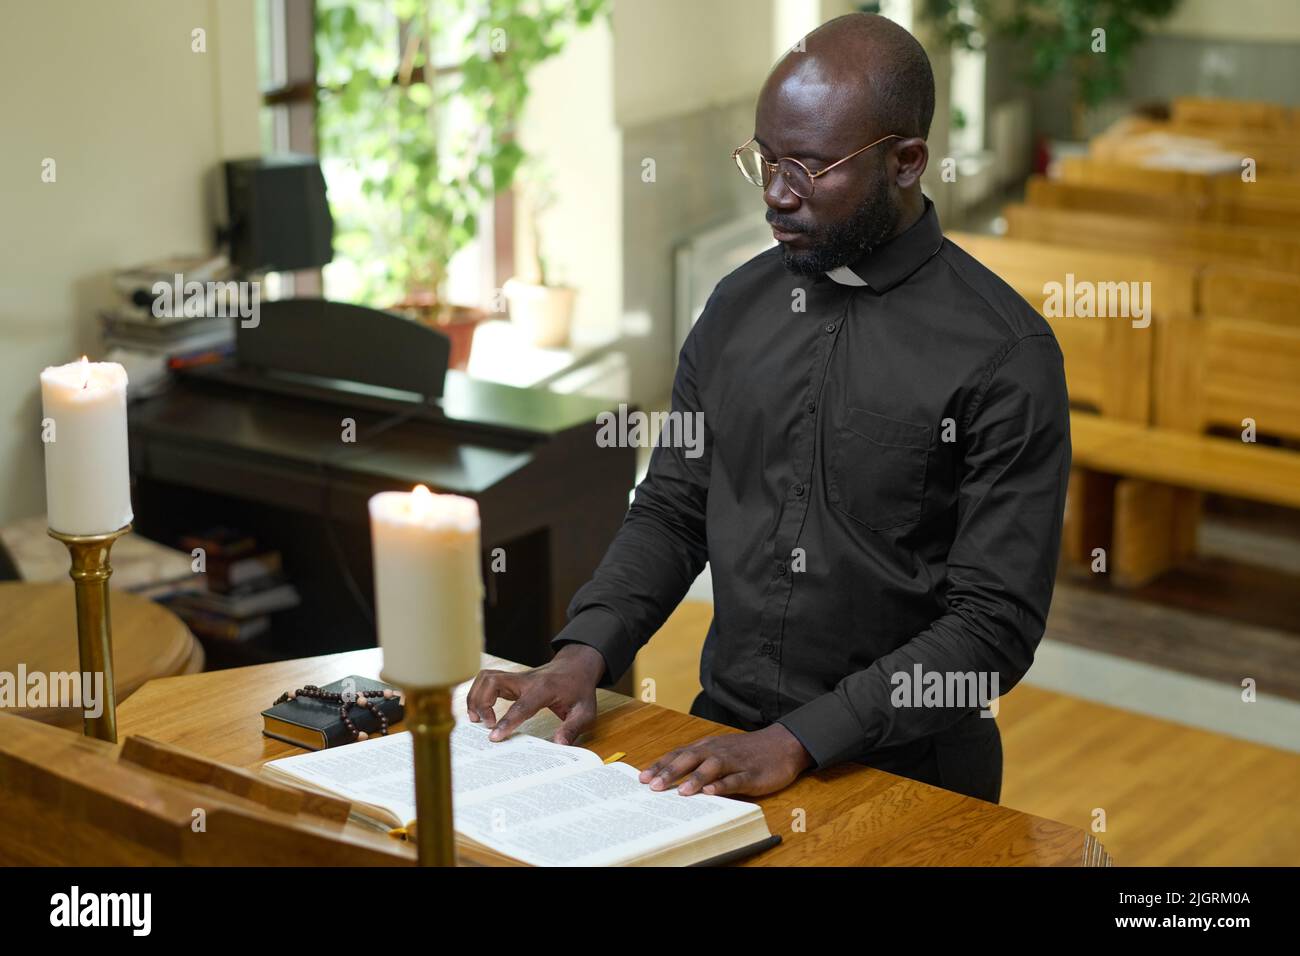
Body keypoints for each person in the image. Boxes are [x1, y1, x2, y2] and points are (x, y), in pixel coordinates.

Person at [466, 11, 1070, 804]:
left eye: (810, 169)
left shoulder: (1004, 354)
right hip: (721, 740)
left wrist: (800, 741)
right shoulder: (736, 306)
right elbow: (674, 506)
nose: (776, 196)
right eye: (766, 160)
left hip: (911, 772)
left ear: (907, 161)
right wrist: (586, 650)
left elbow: (993, 629)